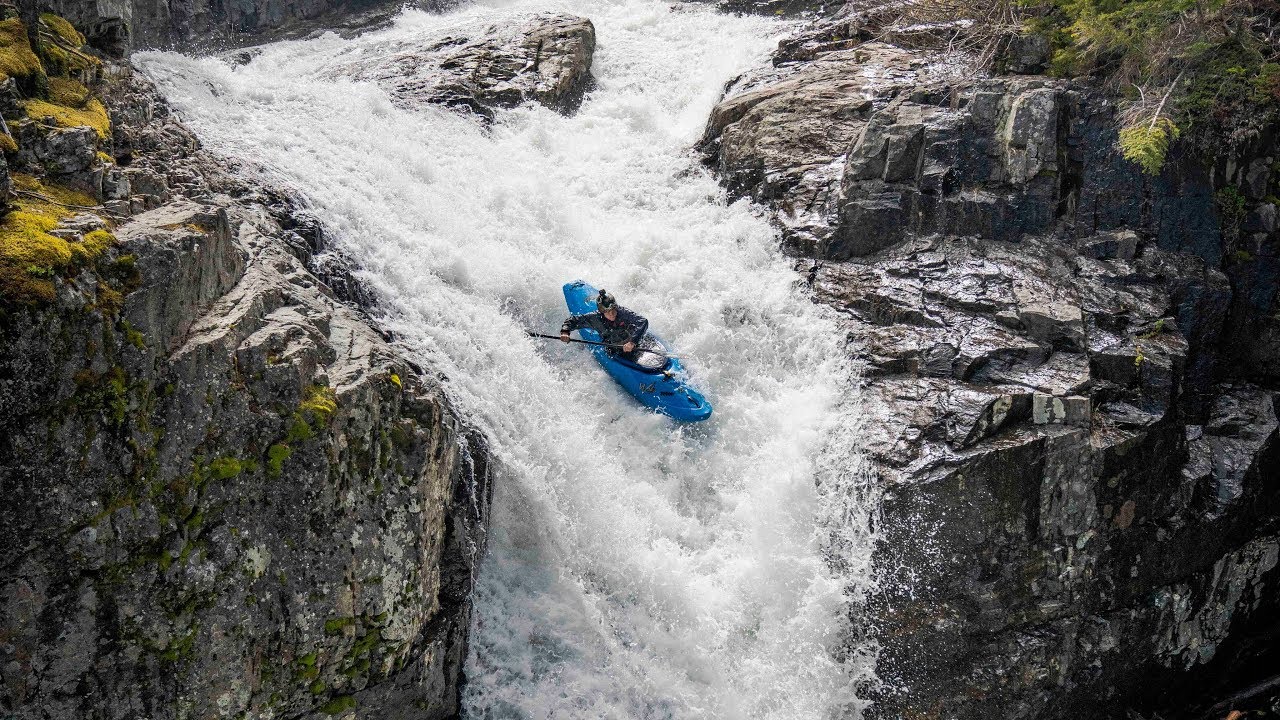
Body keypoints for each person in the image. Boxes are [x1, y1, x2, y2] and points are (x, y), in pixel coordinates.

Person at [561, 289, 648, 357]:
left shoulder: (623, 312)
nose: (612, 314)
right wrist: (565, 331)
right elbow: (573, 320)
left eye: (613, 310)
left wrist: (632, 342)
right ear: (602, 312)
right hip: (614, 348)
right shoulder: (596, 318)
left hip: (632, 343)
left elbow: (643, 321)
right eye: (607, 312)